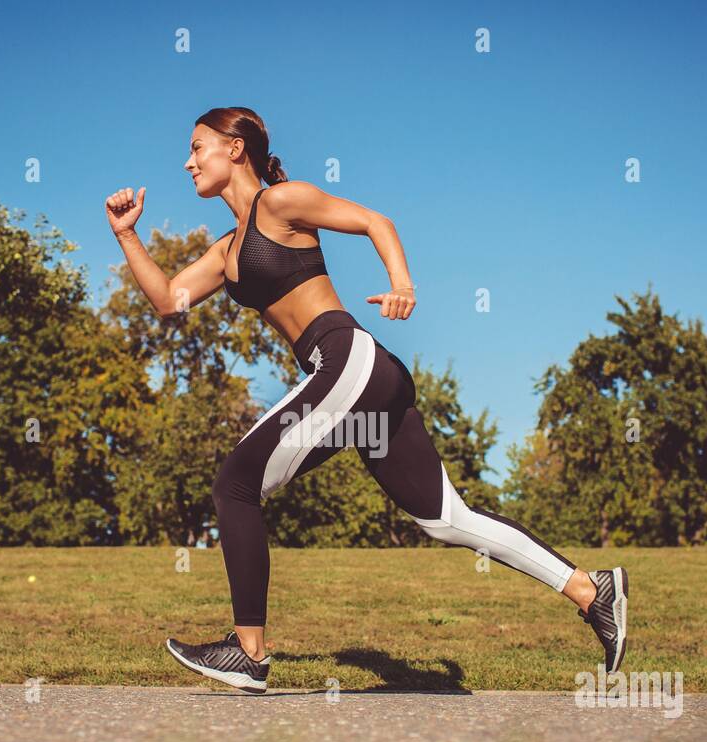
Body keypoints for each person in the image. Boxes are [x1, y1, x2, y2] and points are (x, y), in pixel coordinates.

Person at [105, 106, 627, 694]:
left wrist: (402, 285)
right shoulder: (226, 252)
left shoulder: (281, 202)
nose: (187, 160)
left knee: (236, 481)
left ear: (234, 148)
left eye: (197, 147)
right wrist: (127, 235)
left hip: (348, 357)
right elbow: (168, 301)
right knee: (445, 519)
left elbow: (377, 222)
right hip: (364, 381)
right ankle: (592, 590)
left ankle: (248, 652)